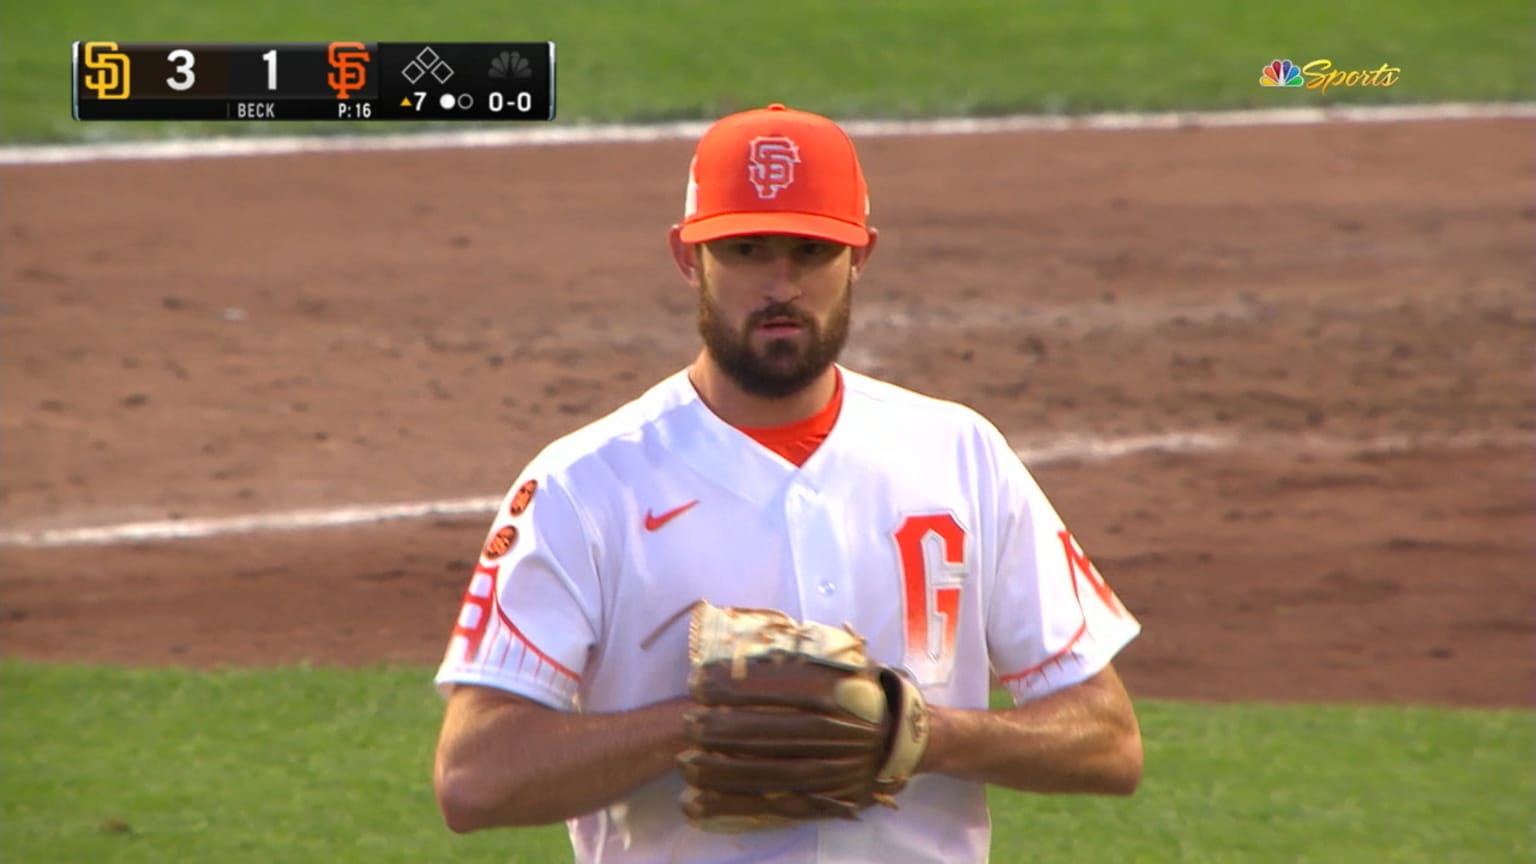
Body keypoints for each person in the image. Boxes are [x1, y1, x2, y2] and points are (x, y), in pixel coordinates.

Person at [431, 102, 1144, 863]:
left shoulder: (960, 454)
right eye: (745, 250)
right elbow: (475, 779)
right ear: (687, 257)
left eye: (810, 250)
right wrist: (701, 723)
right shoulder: (583, 486)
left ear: (859, 256)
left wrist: (917, 732)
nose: (781, 284)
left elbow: (1108, 741)